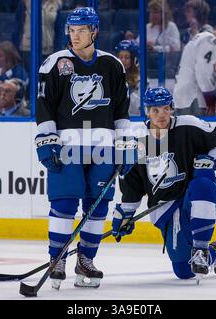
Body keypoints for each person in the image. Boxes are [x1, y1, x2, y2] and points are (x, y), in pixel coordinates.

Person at [34, 7, 136, 289]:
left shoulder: (113, 65)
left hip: (103, 146)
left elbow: (121, 110)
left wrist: (125, 144)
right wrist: (46, 141)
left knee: (98, 206)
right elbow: (44, 107)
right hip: (67, 145)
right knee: (64, 203)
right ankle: (58, 259)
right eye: (71, 30)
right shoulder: (54, 64)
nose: (75, 36)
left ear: (94, 31)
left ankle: (86, 260)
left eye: (81, 30)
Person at [111, 87, 216, 281]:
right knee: (184, 271)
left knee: (203, 179)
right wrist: (126, 212)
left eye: (166, 109)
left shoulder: (189, 126)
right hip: (164, 209)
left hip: (195, 197)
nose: (162, 115)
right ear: (147, 111)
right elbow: (132, 182)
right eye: (155, 110)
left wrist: (211, 161)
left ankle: (201, 249)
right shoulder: (137, 138)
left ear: (172, 109)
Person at [173, 31, 216, 116]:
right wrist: (210, 99)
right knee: (196, 127)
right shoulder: (210, 39)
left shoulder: (197, 39)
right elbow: (202, 73)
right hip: (194, 98)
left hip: (183, 96)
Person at [115, 40, 141, 116]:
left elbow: (141, 105)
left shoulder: (140, 79)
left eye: (127, 57)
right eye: (120, 57)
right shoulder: (112, 76)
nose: (123, 60)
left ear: (134, 60)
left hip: (135, 120)